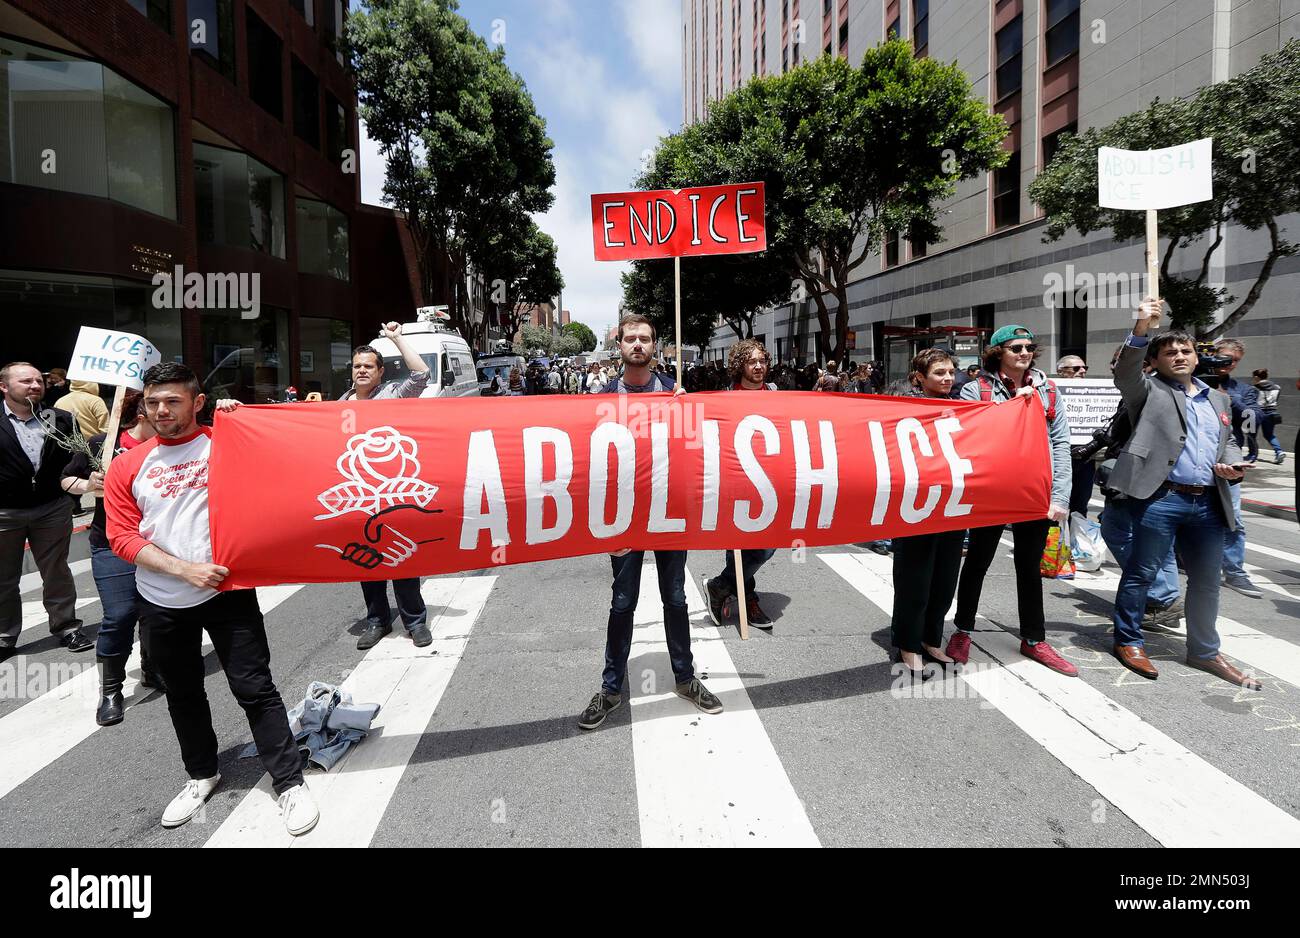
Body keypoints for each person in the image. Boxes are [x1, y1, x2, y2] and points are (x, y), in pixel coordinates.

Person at [105, 363, 320, 833]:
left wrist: (245, 420)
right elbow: (121, 536)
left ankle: (288, 782)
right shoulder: (127, 465)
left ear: (197, 402)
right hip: (161, 599)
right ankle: (202, 773)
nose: (161, 410)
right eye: (153, 402)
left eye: (173, 401)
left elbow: (289, 466)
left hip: (229, 593)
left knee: (255, 688)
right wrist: (184, 569)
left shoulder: (227, 443)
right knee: (182, 693)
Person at [578, 314, 722, 730]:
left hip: (669, 514)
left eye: (645, 339)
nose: (637, 345)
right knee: (623, 601)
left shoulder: (675, 397)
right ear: (619, 346)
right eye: (630, 339)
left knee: (675, 598)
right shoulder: (601, 399)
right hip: (624, 518)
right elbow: (590, 462)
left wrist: (690, 407)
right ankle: (610, 688)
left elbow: (698, 452)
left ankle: (684, 677)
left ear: (655, 346)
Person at [1107, 299, 1258, 688]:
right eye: (1169, 351)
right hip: (1161, 498)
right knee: (1142, 573)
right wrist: (1142, 326)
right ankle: (1128, 640)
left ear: (1195, 357)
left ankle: (1205, 651)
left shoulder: (1218, 399)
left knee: (1207, 581)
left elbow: (1228, 442)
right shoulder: (1147, 391)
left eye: (1185, 350)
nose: (1178, 355)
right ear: (1154, 361)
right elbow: (1125, 370)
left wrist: (1232, 465)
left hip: (1208, 501)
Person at [947, 325, 1077, 676]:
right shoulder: (977, 389)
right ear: (997, 353)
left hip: (1035, 493)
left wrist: (1059, 496)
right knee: (977, 563)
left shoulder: (1049, 391)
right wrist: (1013, 410)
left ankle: (1034, 638)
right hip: (993, 493)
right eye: (1015, 347)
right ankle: (963, 630)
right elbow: (968, 438)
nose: (1024, 352)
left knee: (1028, 567)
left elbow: (1061, 445)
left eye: (1029, 347)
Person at [62, 389, 165, 725]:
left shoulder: (172, 447)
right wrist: (88, 483)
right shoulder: (102, 446)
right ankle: (111, 690)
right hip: (112, 542)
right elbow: (65, 480)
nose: (166, 414)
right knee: (121, 614)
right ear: (140, 414)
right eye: (156, 408)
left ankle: (152, 666)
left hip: (161, 543)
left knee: (156, 611)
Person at [342, 323, 434, 651]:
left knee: (402, 556)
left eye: (369, 366)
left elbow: (422, 374)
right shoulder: (341, 404)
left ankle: (415, 621)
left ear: (380, 372)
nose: (362, 371)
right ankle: (378, 620)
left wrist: (396, 338)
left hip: (394, 493)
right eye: (358, 366)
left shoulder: (393, 394)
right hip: (359, 494)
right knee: (368, 560)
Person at [0, 362, 93, 661]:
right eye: (26, 381)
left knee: (56, 571)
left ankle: (67, 626)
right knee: (4, 577)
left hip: (52, 508)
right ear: (4, 386)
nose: (35, 386)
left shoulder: (61, 419)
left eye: (38, 381)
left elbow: (76, 459)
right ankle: (4, 637)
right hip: (5, 512)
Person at [1094, 345, 1183, 630]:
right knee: (1158, 541)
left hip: (1136, 474)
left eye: (1119, 362)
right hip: (1150, 476)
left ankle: (1159, 595)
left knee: (1117, 530)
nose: (1114, 367)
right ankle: (1165, 595)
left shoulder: (1148, 392)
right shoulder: (1168, 391)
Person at [889, 349, 963, 677]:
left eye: (951, 372)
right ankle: (907, 644)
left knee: (945, 578)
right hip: (914, 506)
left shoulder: (964, 405)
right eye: (939, 373)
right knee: (915, 580)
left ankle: (932, 640)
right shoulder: (904, 407)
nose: (948, 378)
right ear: (920, 377)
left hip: (953, 505)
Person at [704, 339, 777, 629]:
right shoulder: (725, 398)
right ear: (739, 366)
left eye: (762, 360)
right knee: (738, 547)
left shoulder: (775, 394)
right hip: (735, 482)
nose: (758, 366)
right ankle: (747, 599)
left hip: (770, 482)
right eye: (751, 361)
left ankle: (721, 585)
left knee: (767, 546)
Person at [1211, 339, 1262, 599]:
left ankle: (1235, 572)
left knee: (1234, 521)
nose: (1228, 363)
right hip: (1189, 461)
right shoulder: (1189, 382)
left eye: (1234, 360)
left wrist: (1229, 400)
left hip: (1228, 460)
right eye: (1223, 357)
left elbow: (1254, 418)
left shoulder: (1243, 390)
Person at [1057, 355, 1097, 517]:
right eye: (1075, 368)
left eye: (1084, 368)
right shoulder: (1050, 391)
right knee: (1054, 508)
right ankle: (1052, 543)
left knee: (1079, 507)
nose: (1082, 371)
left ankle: (1077, 542)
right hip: (1058, 458)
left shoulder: (1093, 392)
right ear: (1060, 372)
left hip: (1085, 459)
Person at [1249, 369, 1284, 464]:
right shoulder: (1277, 387)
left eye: (1253, 377)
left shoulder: (1253, 388)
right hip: (1272, 412)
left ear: (1256, 377)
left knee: (1251, 434)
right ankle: (1279, 451)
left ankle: (1252, 454)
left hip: (1258, 412)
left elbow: (1251, 401)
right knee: (1269, 434)